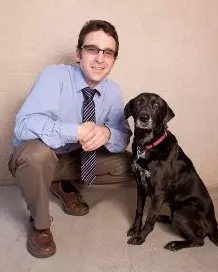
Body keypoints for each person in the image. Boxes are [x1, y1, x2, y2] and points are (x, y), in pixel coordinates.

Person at [8, 19, 133, 258]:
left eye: (108, 52)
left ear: (114, 60)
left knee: (128, 163)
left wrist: (106, 133)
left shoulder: (113, 91)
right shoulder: (54, 76)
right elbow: (23, 125)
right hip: (41, 156)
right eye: (92, 49)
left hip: (74, 158)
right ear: (78, 54)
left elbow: (123, 137)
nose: (100, 58)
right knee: (37, 156)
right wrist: (75, 130)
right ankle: (40, 224)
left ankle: (60, 183)